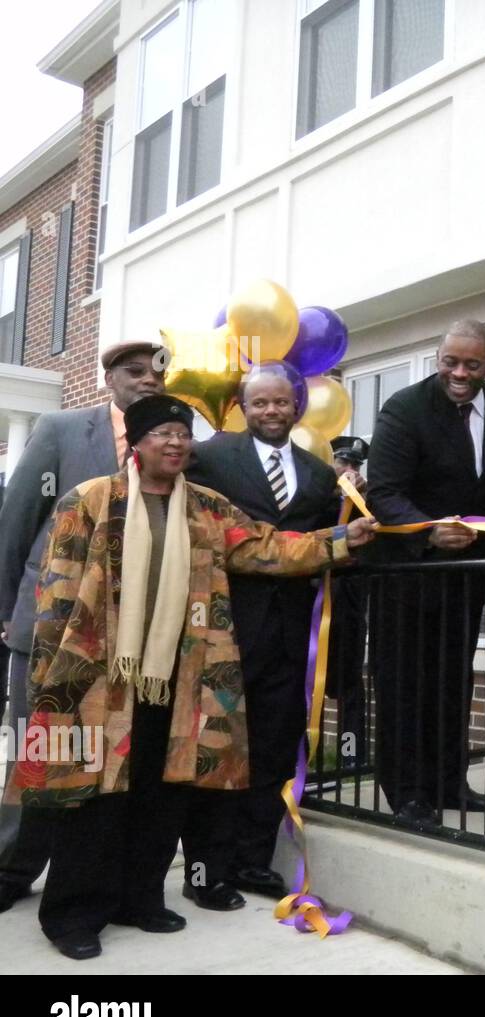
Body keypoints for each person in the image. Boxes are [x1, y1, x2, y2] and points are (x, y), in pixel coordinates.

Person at [2, 394, 375, 960]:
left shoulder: (207, 507)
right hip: (100, 677)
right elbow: (57, 587)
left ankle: (140, 899)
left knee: (162, 791)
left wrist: (340, 541)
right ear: (138, 443)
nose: (175, 443)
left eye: (183, 434)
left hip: (180, 675)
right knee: (92, 800)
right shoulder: (91, 500)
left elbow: (263, 548)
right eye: (163, 434)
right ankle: (74, 915)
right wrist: (56, 672)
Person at [0, 341, 164, 915]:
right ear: (109, 378)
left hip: (128, 640)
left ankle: (88, 876)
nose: (147, 381)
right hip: (50, 626)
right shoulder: (61, 429)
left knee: (101, 755)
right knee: (38, 747)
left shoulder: (168, 445)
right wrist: (7, 612)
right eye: (134, 372)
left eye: (156, 374)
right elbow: (15, 521)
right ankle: (12, 867)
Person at [181, 365, 346, 909]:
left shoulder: (319, 477)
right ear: (243, 409)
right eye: (260, 404)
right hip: (223, 632)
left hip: (290, 636)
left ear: (296, 407)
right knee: (218, 750)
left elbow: (324, 547)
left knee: (274, 748)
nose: (271, 412)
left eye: (281, 403)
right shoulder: (211, 458)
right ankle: (206, 871)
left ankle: (251, 860)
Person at [366, 320, 485, 828]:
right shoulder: (403, 409)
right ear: (438, 358)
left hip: (467, 576)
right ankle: (408, 792)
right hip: (408, 575)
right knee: (405, 684)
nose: (459, 373)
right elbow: (383, 492)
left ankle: (449, 782)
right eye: (450, 362)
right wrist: (428, 532)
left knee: (453, 682)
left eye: (471, 364)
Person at [326, 436, 371, 768]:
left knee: (349, 684)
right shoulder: (318, 491)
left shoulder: (362, 498)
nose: (349, 470)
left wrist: (360, 497)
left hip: (349, 600)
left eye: (355, 464)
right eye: (343, 462)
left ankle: (350, 755)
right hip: (316, 596)